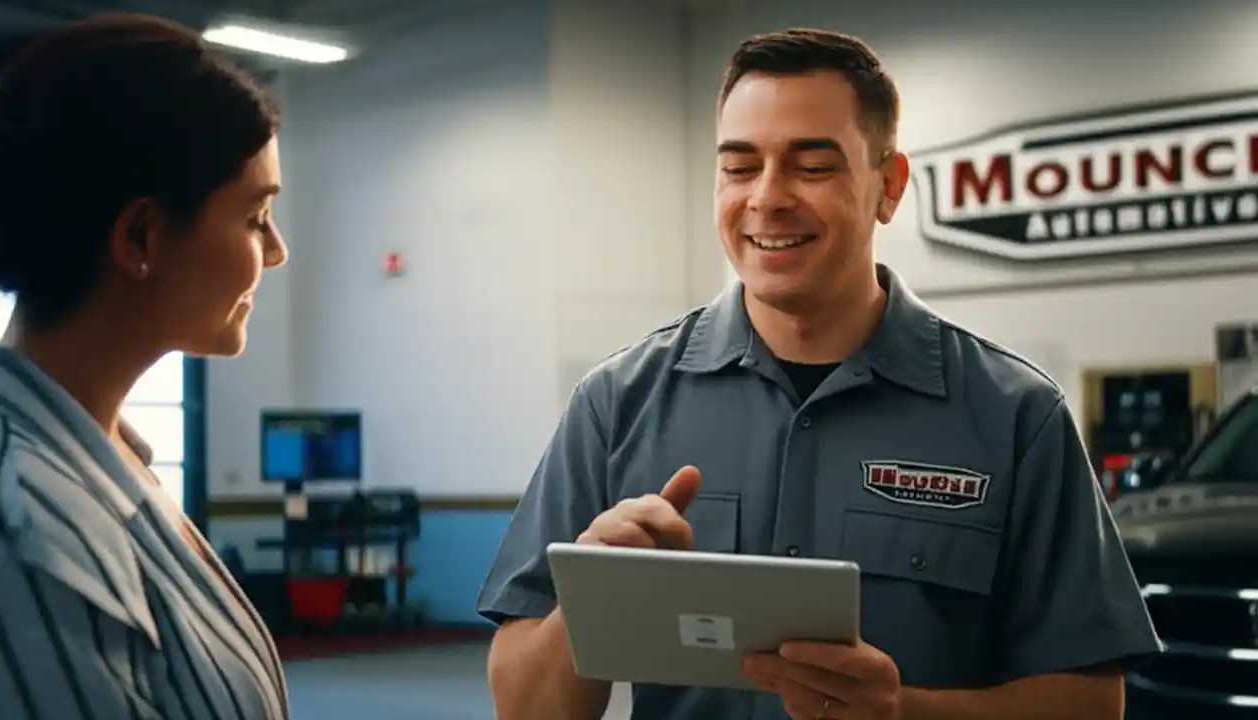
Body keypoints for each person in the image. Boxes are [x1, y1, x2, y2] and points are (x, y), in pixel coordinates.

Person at [478, 28, 1161, 720]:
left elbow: (1092, 703)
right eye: (739, 167)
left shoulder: (1016, 416)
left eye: (811, 166)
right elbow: (524, 707)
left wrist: (905, 713)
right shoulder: (616, 406)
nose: (767, 198)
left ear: (888, 187)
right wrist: (589, 603)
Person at [0, 13, 290, 720]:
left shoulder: (101, 462)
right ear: (142, 235)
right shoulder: (24, 520)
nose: (275, 252)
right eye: (254, 217)